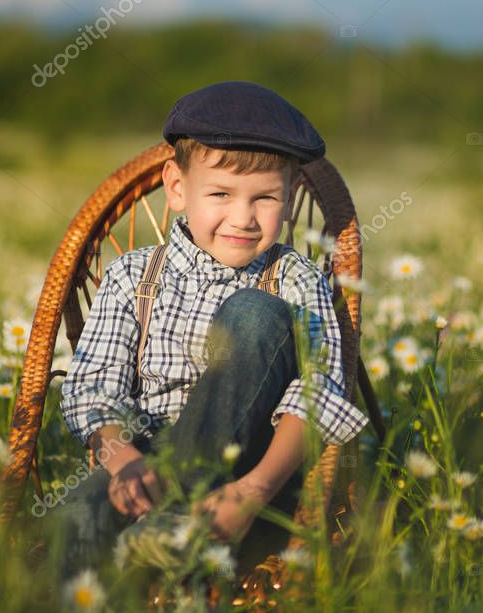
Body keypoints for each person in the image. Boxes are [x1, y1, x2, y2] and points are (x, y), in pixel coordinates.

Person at [51, 81, 370, 576]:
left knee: (253, 313)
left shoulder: (297, 279)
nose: (243, 218)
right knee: (73, 526)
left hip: (250, 486)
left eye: (265, 198)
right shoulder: (131, 276)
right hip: (142, 467)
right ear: (177, 188)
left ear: (289, 196)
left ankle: (173, 539)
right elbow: (93, 391)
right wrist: (124, 464)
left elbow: (319, 392)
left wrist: (253, 490)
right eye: (221, 193)